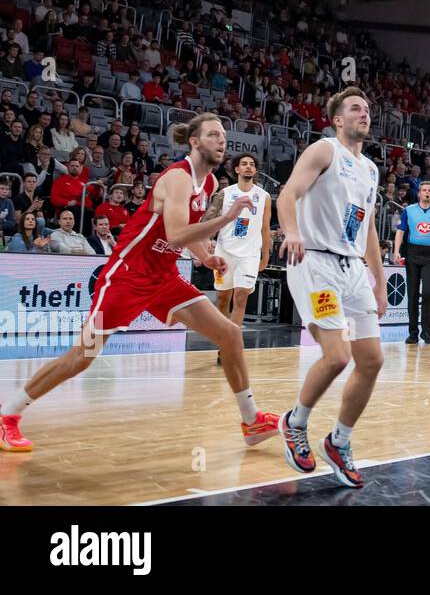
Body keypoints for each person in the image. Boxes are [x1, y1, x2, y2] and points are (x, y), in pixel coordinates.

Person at [0, 114, 279, 453]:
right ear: (194, 141)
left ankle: (252, 422)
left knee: (230, 334)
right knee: (81, 357)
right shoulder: (177, 178)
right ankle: (8, 414)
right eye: (213, 135)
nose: (222, 141)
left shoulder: (208, 185)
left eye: (223, 136)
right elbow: (176, 231)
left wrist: (205, 257)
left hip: (164, 278)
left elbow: (184, 233)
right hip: (126, 277)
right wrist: (228, 217)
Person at [276, 87, 386, 489]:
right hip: (315, 262)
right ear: (337, 120)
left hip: (353, 268)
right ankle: (295, 422)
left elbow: (369, 227)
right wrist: (291, 232)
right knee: (338, 356)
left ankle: (338, 441)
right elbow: (287, 193)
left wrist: (379, 283)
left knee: (372, 360)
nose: (364, 114)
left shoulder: (371, 170)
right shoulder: (324, 150)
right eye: (356, 108)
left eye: (368, 109)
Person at [209, 154, 272, 358]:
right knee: (222, 298)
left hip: (250, 254)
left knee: (241, 297)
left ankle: (231, 345)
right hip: (224, 252)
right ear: (236, 169)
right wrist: (205, 242)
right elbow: (209, 220)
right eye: (244, 164)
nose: (248, 167)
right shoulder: (224, 194)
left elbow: (265, 228)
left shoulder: (264, 196)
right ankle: (222, 338)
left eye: (252, 164)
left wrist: (265, 256)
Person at [391, 180, 430, 345]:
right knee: (412, 293)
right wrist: (396, 251)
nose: (426, 193)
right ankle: (413, 332)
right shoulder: (409, 210)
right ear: (419, 193)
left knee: (427, 292)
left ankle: (427, 331)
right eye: (424, 190)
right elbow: (401, 231)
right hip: (412, 253)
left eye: (429, 190)